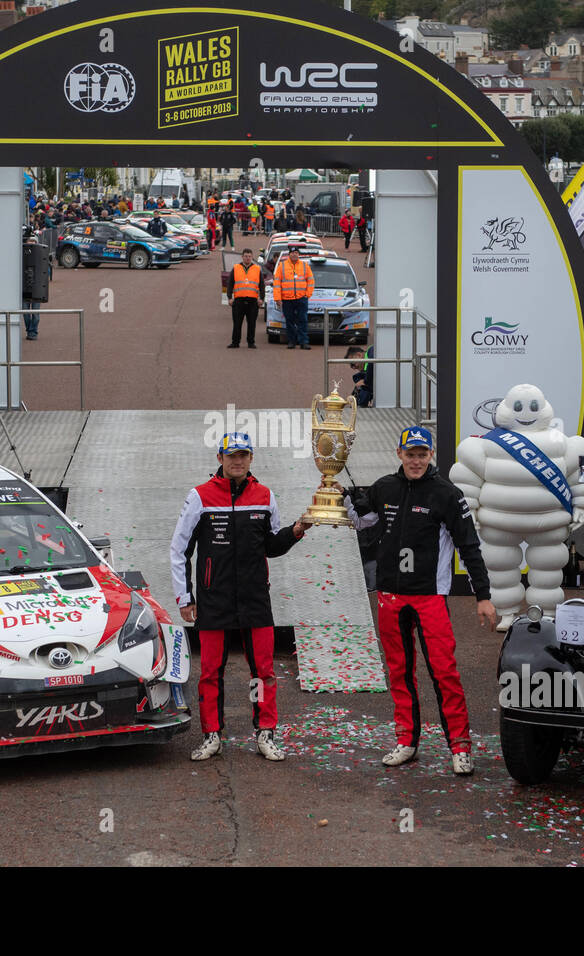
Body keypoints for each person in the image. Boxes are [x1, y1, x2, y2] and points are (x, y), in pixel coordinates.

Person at [342, 426, 496, 775]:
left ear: (430, 456)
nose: (415, 460)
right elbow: (363, 522)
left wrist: (482, 596)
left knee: (444, 673)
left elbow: (469, 546)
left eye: (421, 454)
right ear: (399, 454)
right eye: (410, 454)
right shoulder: (384, 487)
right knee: (399, 672)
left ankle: (459, 746)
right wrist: (341, 497)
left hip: (429, 598)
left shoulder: (446, 494)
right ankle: (406, 741)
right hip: (390, 596)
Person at [170, 431, 310, 762]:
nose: (237, 461)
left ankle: (265, 733)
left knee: (262, 670)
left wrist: (297, 529)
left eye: (243, 455)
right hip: (213, 599)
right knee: (210, 671)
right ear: (219, 459)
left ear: (251, 459)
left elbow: (272, 546)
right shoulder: (199, 497)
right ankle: (211, 735)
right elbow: (179, 550)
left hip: (254, 600)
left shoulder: (264, 495)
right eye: (231, 455)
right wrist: (184, 598)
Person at [273, 243, 313, 350]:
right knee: (289, 321)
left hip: (301, 298)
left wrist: (307, 295)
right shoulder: (282, 266)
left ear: (298, 254)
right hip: (287, 299)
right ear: (289, 254)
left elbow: (310, 281)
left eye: (296, 253)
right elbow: (277, 283)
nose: (294, 255)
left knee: (303, 320)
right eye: (292, 253)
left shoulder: (305, 266)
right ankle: (291, 341)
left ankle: (304, 342)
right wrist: (277, 298)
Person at [224, 248, 265, 350]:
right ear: (242, 257)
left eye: (249, 256)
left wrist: (261, 299)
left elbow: (262, 286)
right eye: (246, 256)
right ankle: (235, 342)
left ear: (252, 257)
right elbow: (230, 284)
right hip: (239, 300)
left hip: (252, 301)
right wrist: (229, 297)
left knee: (252, 323)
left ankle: (251, 342)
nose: (247, 258)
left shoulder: (257, 269)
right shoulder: (236, 268)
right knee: (237, 323)